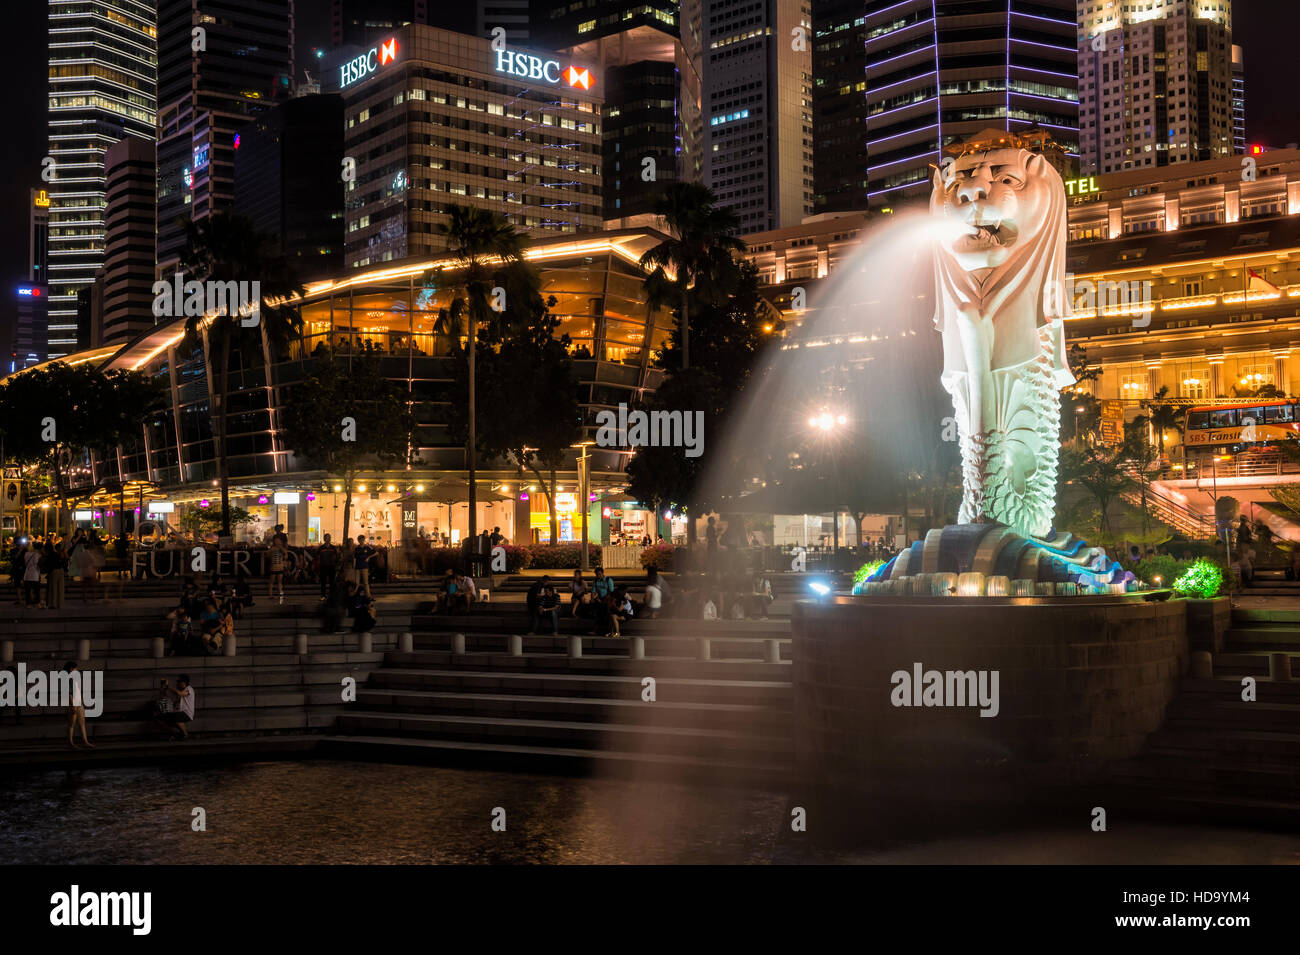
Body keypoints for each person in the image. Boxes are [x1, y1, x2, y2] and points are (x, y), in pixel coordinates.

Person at [153, 674, 196, 740]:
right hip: (179, 713)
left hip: (187, 713)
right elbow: (166, 695)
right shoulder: (180, 690)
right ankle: (177, 734)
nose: (177, 683)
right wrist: (163, 686)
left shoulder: (189, 689)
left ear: (183, 682)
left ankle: (185, 734)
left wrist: (168, 687)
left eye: (179, 682)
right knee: (161, 719)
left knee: (177, 718)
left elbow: (180, 693)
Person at [64, 662, 94, 749]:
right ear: (71, 669)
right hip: (72, 703)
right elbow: (69, 693)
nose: (77, 670)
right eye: (75, 669)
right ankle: (70, 743)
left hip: (79, 702)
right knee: (71, 723)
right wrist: (73, 705)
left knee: (82, 723)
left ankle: (85, 741)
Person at [45, 541, 68, 610]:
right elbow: (66, 560)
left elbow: (48, 564)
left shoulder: (51, 554)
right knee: (60, 588)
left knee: (53, 588)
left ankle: (53, 603)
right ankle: (59, 604)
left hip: (54, 571)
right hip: (61, 571)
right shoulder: (61, 554)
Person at [317, 534, 339, 600]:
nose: (328, 539)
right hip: (323, 566)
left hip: (331, 566)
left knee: (332, 582)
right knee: (323, 582)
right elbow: (318, 557)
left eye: (329, 538)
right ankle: (323, 596)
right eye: (326, 538)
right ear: (324, 539)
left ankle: (331, 596)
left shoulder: (333, 548)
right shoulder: (321, 548)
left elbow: (337, 557)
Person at [22, 539, 43, 607]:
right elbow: (37, 563)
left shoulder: (26, 554)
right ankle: (38, 603)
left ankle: (28, 604)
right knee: (36, 590)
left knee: (28, 591)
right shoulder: (37, 555)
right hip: (35, 574)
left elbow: (25, 563)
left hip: (27, 574)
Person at [268, 536, 287, 603]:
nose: (277, 542)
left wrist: (281, 549)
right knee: (272, 581)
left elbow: (286, 555)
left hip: (280, 566)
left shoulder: (282, 549)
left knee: (279, 581)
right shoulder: (272, 548)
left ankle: (281, 594)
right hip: (274, 566)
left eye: (278, 541)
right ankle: (270, 594)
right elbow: (268, 555)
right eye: (276, 541)